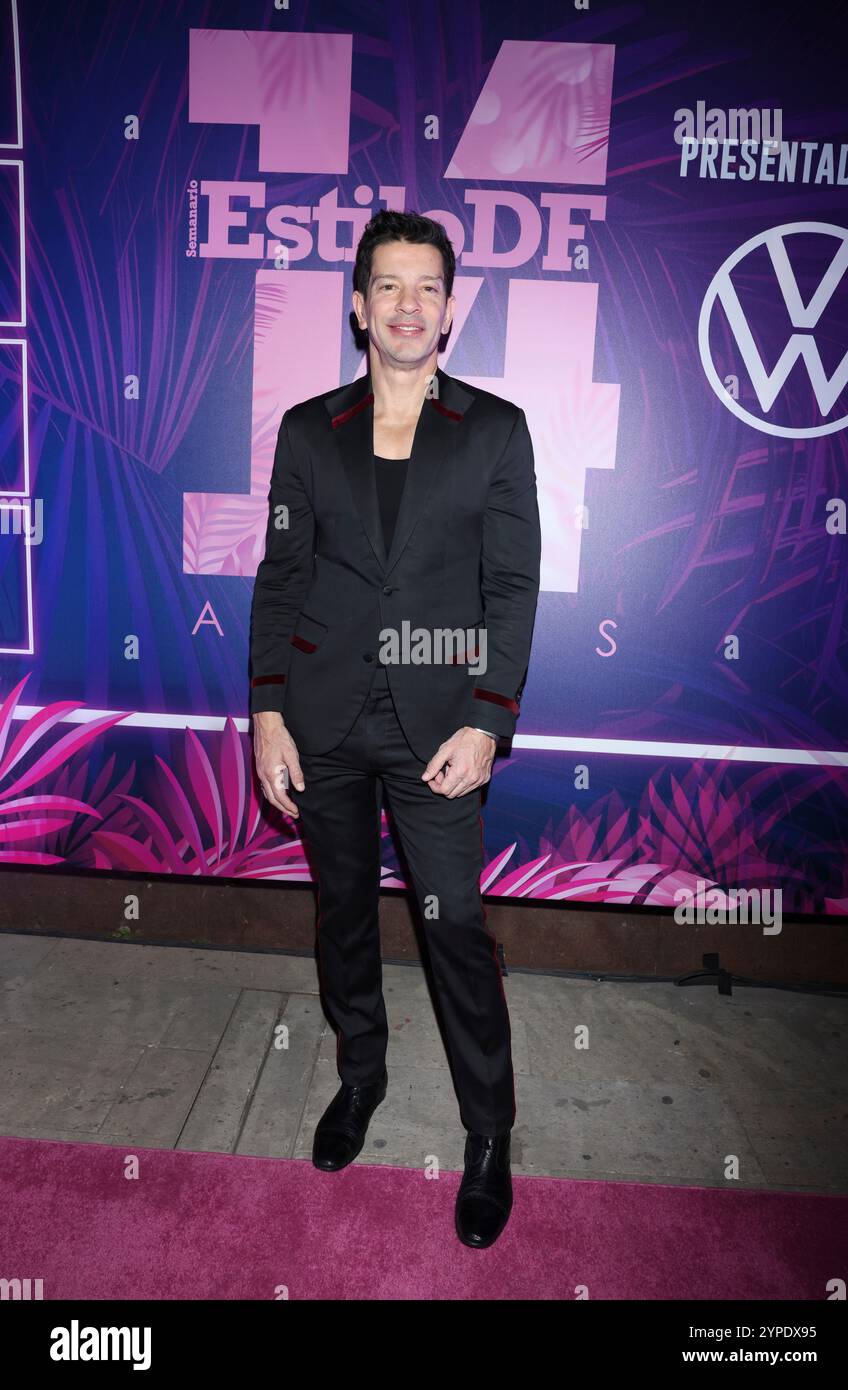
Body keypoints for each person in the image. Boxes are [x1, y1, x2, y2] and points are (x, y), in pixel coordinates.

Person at [250, 209, 541, 1248]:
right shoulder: (306, 429)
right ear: (358, 305)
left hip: (440, 728)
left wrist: (490, 721)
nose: (408, 303)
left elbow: (511, 587)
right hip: (324, 722)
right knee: (340, 915)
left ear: (450, 310)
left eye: (427, 286)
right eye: (389, 285)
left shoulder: (496, 431)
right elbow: (282, 577)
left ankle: (491, 1133)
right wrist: (267, 710)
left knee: (453, 926)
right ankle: (361, 1075)